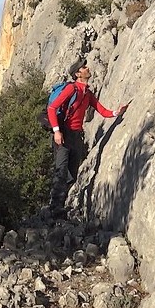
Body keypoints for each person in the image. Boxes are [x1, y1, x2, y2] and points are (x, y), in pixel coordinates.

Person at [47, 59, 128, 217]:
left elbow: (102, 110)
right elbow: (52, 108)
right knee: (61, 171)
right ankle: (54, 209)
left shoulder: (87, 93)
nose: (87, 68)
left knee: (72, 174)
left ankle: (59, 206)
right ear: (78, 74)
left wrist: (117, 113)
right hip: (63, 134)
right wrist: (56, 131)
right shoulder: (72, 89)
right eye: (84, 67)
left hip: (77, 136)